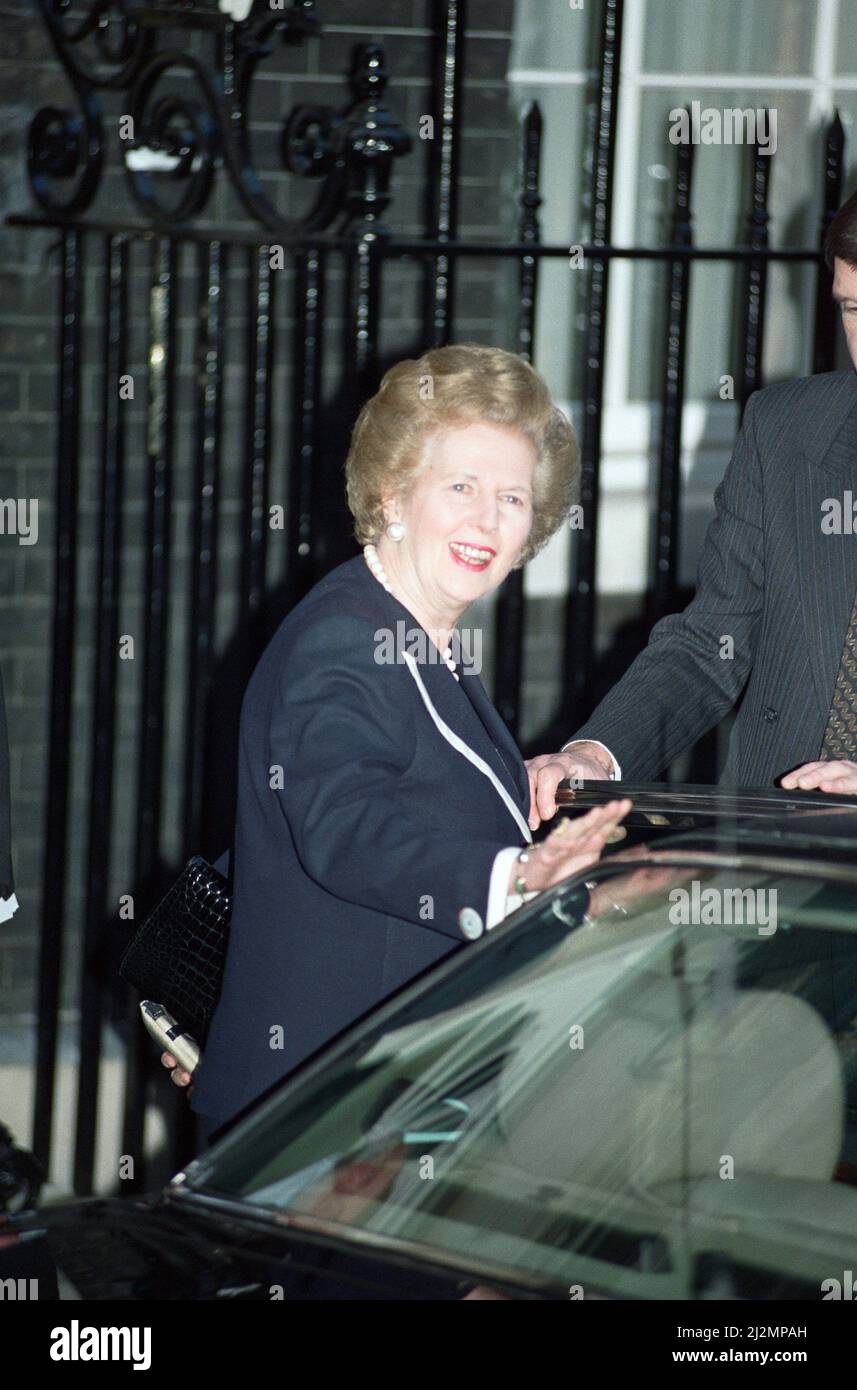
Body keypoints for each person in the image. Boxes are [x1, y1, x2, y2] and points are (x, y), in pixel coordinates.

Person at [164, 345, 631, 1140]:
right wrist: (511, 875)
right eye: (461, 487)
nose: (487, 520)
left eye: (511, 498)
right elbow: (344, 829)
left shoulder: (413, 637)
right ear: (391, 495)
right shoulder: (343, 637)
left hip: (393, 1100)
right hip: (322, 1124)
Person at [527, 187, 857, 829]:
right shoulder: (788, 427)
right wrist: (598, 754)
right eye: (854, 307)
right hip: (774, 855)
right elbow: (715, 641)